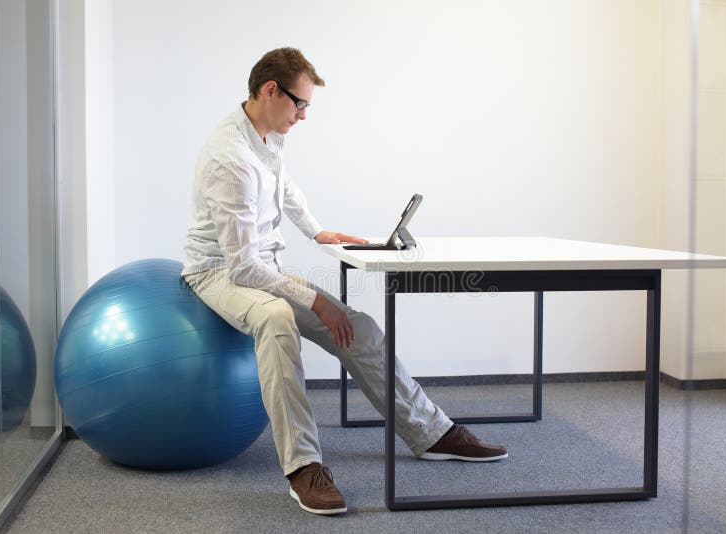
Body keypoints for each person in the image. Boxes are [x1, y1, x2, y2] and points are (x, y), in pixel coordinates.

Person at [181, 47, 507, 516]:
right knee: (277, 317)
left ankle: (431, 432)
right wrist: (316, 300)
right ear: (270, 90)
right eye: (300, 103)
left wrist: (316, 229)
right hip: (217, 271)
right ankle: (304, 468)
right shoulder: (229, 158)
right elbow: (242, 267)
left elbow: (284, 187)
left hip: (260, 266)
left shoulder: (269, 132)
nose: (304, 115)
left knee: (361, 327)